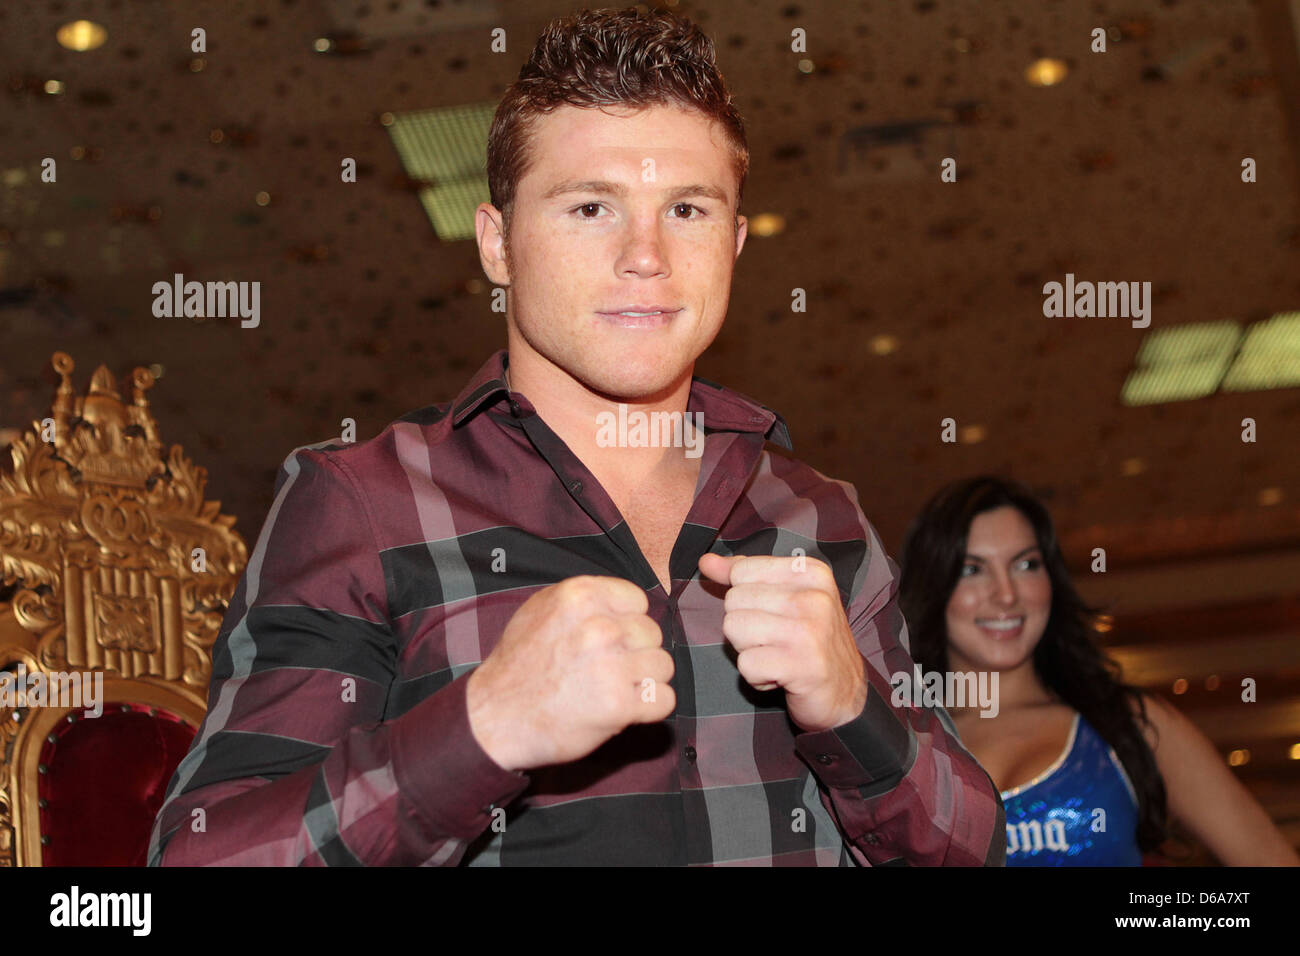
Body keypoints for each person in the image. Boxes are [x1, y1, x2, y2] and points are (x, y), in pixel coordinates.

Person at [148, 7, 1003, 867]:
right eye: (592, 206)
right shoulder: (365, 505)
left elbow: (975, 851)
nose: (646, 254)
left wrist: (857, 714)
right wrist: (482, 729)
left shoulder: (822, 518)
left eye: (689, 210)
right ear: (498, 244)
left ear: (736, 243)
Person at [898, 475, 1299, 866]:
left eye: (1026, 565)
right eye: (973, 569)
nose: (1006, 594)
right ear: (934, 585)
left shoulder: (1130, 725)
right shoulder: (904, 742)